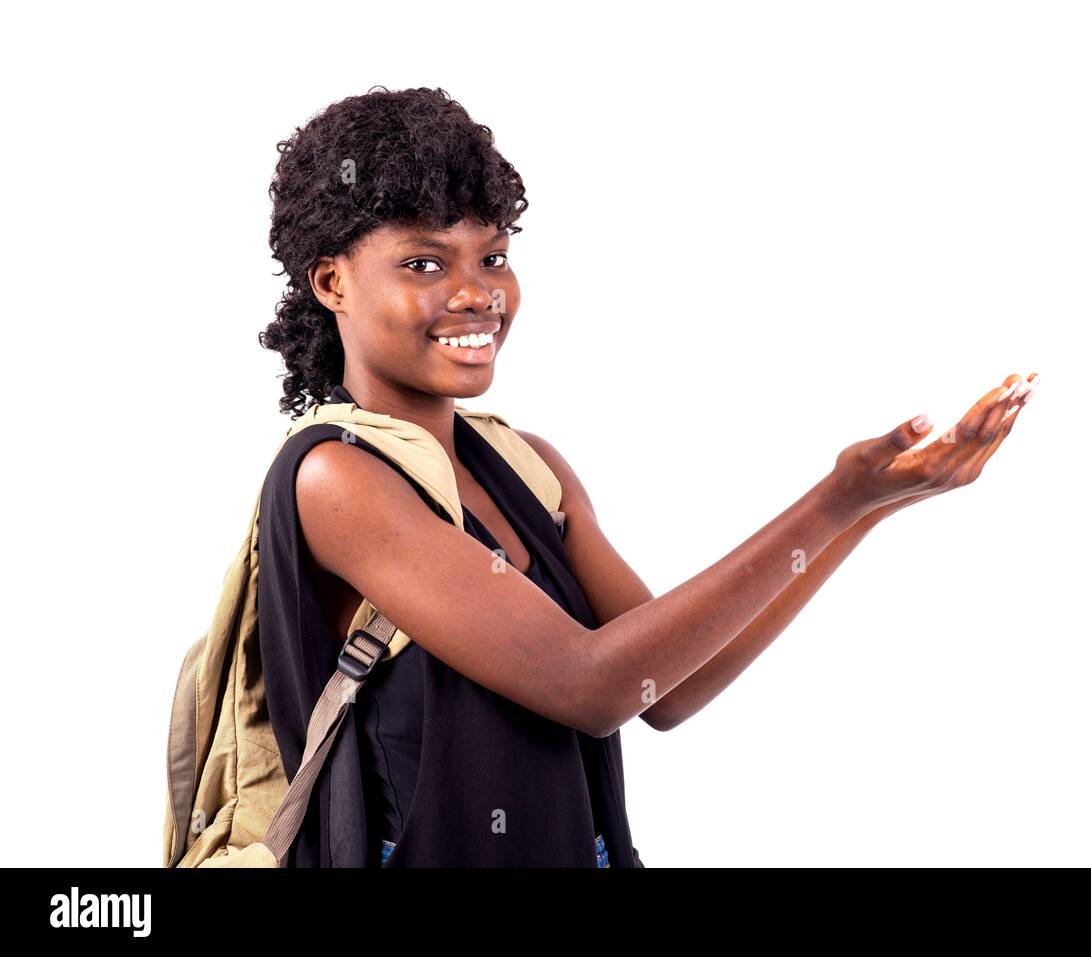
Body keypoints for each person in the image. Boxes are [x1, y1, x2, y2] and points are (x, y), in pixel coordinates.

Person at [254, 85, 1038, 867]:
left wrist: (865, 506)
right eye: (425, 262)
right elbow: (587, 687)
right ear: (333, 284)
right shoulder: (336, 479)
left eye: (493, 256)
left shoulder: (528, 465)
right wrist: (835, 497)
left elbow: (665, 689)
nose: (476, 293)